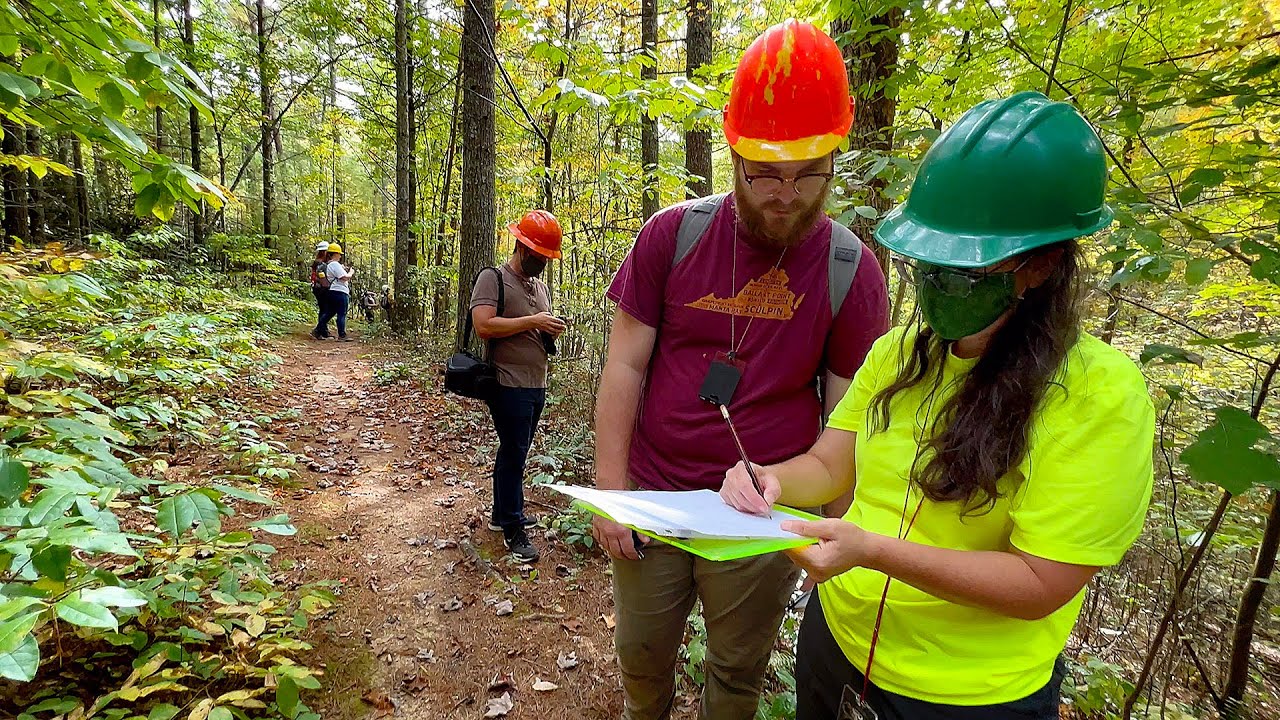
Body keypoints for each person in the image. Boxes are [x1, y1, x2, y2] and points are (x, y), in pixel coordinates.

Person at [718, 91, 1156, 720]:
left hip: (963, 695)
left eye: (968, 267)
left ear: (1042, 264)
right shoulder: (900, 352)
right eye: (927, 260)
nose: (937, 282)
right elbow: (831, 464)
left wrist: (870, 550)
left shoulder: (1096, 393)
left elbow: (1041, 584)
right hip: (837, 641)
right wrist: (773, 480)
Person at [594, 20, 889, 720]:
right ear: (733, 156)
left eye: (806, 173)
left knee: (737, 670)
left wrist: (835, 532)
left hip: (764, 513)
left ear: (833, 162)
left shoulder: (852, 270)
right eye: (765, 174)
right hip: (657, 497)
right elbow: (626, 365)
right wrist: (612, 490)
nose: (784, 193)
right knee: (641, 655)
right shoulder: (674, 234)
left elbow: (847, 422)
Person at [470, 210, 567, 563]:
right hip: (506, 382)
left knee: (517, 452)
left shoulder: (540, 287)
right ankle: (513, 528)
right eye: (538, 256)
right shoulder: (492, 279)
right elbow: (484, 325)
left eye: (547, 258)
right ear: (521, 247)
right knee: (513, 451)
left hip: (535, 382)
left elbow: (534, 326)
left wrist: (549, 326)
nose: (542, 263)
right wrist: (532, 320)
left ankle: (502, 513)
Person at [315, 243, 354, 342]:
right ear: (334, 254)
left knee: (329, 313)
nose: (340, 256)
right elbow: (344, 277)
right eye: (339, 254)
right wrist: (351, 273)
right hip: (340, 292)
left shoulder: (329, 265)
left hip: (332, 291)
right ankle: (342, 335)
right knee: (341, 313)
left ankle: (318, 330)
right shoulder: (335, 264)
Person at [309, 242, 331, 339]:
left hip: (319, 287)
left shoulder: (319, 262)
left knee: (324, 309)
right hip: (320, 288)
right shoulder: (320, 263)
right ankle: (319, 330)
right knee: (325, 309)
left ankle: (323, 330)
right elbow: (321, 277)